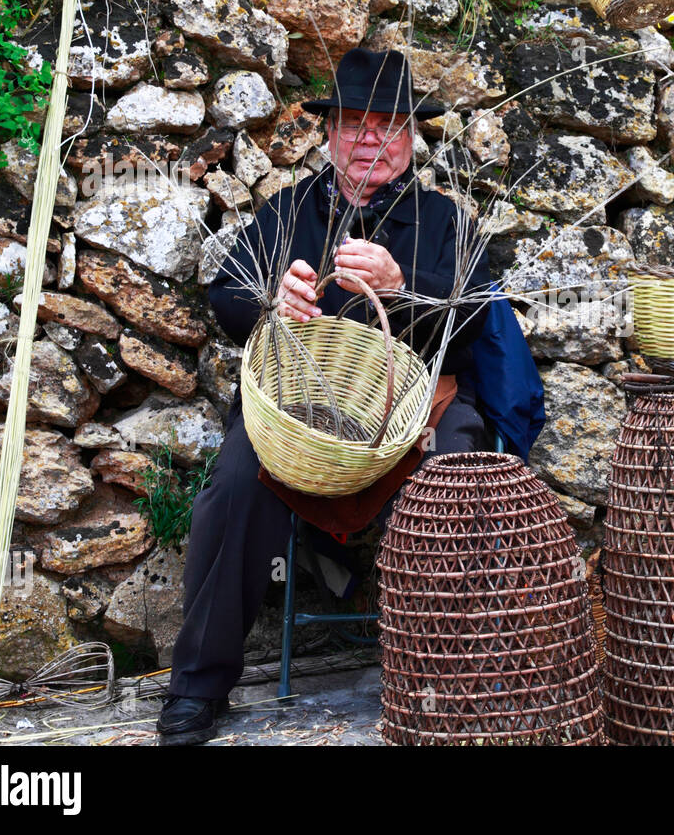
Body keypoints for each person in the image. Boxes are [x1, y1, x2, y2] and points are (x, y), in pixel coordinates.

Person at [156, 49, 492, 745]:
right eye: (354, 124)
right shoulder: (292, 209)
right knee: (235, 481)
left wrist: (401, 287)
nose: (370, 139)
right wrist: (273, 300)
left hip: (414, 409)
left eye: (388, 125)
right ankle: (196, 686)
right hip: (299, 415)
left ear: (410, 136)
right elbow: (226, 296)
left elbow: (477, 319)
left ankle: (449, 675)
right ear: (330, 134)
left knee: (456, 466)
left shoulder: (446, 221)